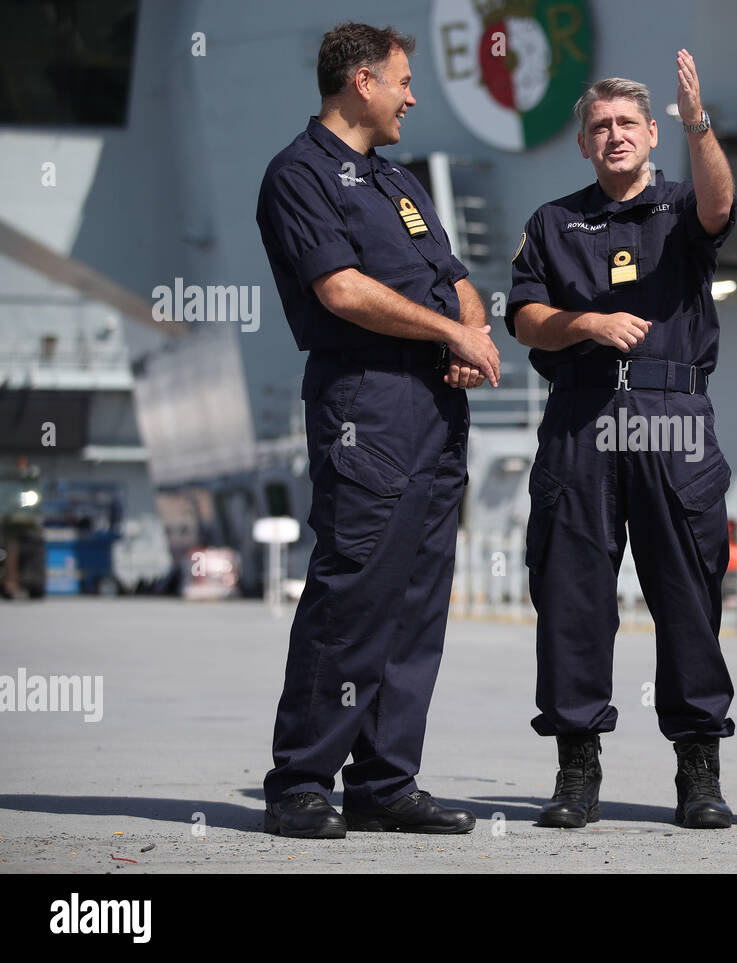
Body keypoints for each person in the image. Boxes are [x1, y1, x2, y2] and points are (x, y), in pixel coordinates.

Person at [255, 22, 500, 838]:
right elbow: (340, 289)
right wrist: (447, 334)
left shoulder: (398, 178)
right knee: (354, 589)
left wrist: (466, 338)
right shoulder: (299, 175)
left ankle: (386, 779)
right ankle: (301, 780)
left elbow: (454, 277)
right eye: (402, 80)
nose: (412, 96)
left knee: (417, 599)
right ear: (362, 81)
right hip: (368, 403)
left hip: (435, 404)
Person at [506, 52, 737, 829]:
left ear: (651, 135)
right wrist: (589, 324)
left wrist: (698, 120)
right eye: (599, 126)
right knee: (570, 595)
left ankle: (698, 768)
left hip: (671, 417)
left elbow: (721, 204)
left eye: (628, 124)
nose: (614, 135)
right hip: (580, 416)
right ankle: (577, 768)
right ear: (582, 143)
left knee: (687, 595)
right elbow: (525, 318)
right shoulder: (551, 222)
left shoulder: (681, 206)